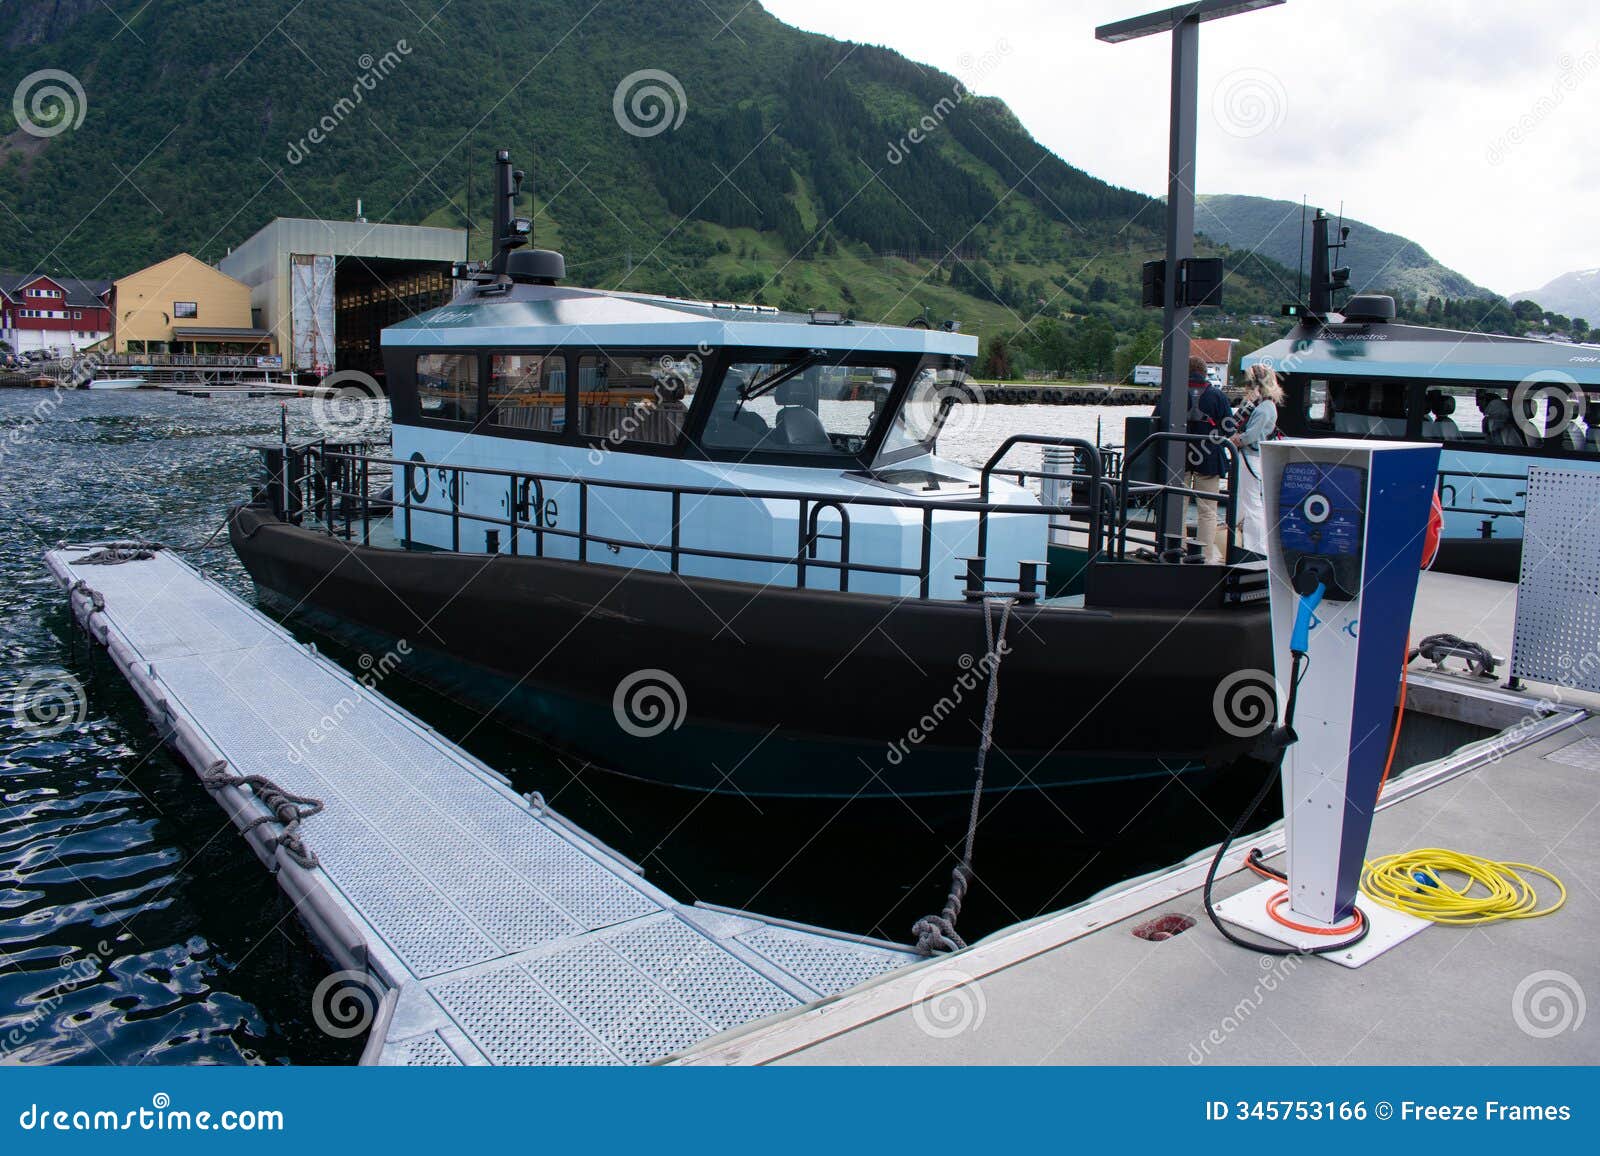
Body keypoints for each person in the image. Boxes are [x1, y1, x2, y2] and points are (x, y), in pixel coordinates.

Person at [1184, 353, 1233, 563]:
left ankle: (1176, 548)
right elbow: (1229, 427)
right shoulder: (1217, 396)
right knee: (1207, 511)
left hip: (1180, 458)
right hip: (1210, 459)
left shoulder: (1175, 392)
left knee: (1178, 507)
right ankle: (1204, 555)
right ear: (1205, 373)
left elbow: (1156, 420)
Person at [1230, 363, 1282, 558]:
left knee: (1251, 502)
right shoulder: (1267, 406)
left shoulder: (1264, 408)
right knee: (1246, 501)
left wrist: (1236, 439)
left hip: (1250, 458)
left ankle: (1256, 549)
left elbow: (1250, 436)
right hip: (1252, 458)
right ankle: (1246, 544)